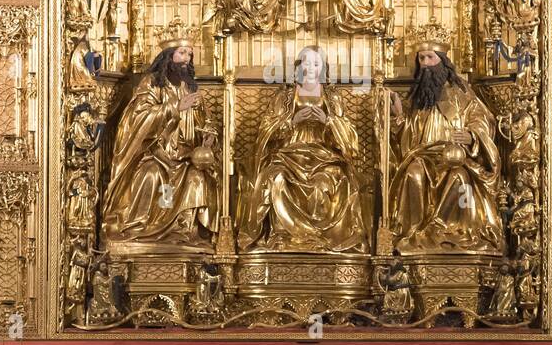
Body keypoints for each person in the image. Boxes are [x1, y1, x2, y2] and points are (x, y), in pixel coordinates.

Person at [237, 46, 367, 252]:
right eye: (306, 62)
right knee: (275, 176)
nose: (311, 67)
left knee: (331, 180)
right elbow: (266, 130)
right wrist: (291, 121)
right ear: (299, 66)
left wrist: (328, 121)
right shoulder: (286, 97)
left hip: (323, 155)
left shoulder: (332, 98)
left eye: (316, 63)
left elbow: (348, 134)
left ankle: (319, 238)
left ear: (323, 67)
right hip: (290, 154)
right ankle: (283, 236)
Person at [102, 26, 217, 248]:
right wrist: (174, 107)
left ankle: (181, 230)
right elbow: (138, 119)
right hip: (154, 153)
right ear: (168, 56)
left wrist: (208, 138)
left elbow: (205, 120)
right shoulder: (152, 84)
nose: (187, 59)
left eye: (190, 54)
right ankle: (147, 227)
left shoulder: (190, 88)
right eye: (182, 53)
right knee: (152, 176)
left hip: (185, 157)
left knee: (197, 178)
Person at [389, 30, 503, 255]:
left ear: (443, 61)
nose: (425, 64)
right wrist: (399, 117)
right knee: (412, 172)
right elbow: (408, 139)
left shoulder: (462, 95)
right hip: (424, 157)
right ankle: (414, 233)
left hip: (455, 160)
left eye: (430, 57)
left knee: (458, 178)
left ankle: (449, 232)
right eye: (421, 59)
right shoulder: (421, 101)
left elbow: (482, 120)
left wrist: (472, 137)